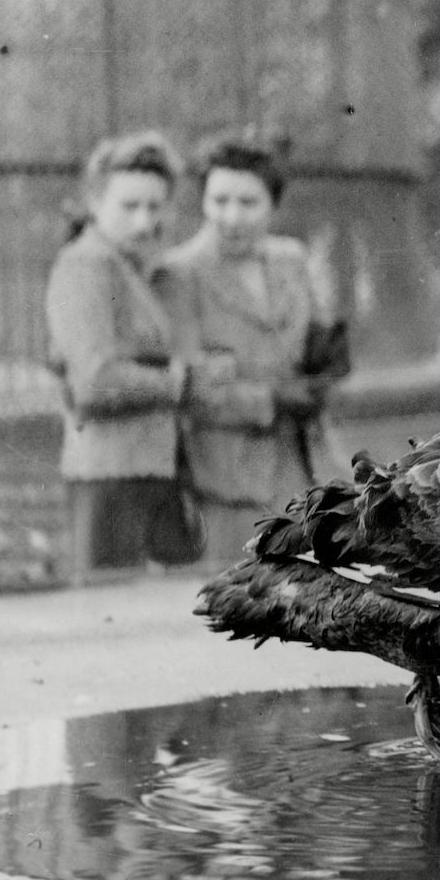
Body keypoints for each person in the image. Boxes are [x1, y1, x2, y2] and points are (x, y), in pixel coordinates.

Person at [157, 130, 350, 565]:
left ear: (273, 205)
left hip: (306, 470)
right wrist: (271, 399)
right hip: (227, 482)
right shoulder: (179, 275)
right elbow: (187, 389)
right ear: (202, 201)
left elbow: (315, 342)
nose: (232, 216)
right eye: (219, 200)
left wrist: (327, 364)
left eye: (249, 203)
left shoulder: (291, 259)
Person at [45, 130, 205, 584]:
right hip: (109, 476)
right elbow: (94, 382)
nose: (143, 221)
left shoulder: (131, 266)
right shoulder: (86, 265)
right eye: (129, 206)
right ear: (95, 203)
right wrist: (178, 381)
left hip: (151, 470)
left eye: (154, 207)